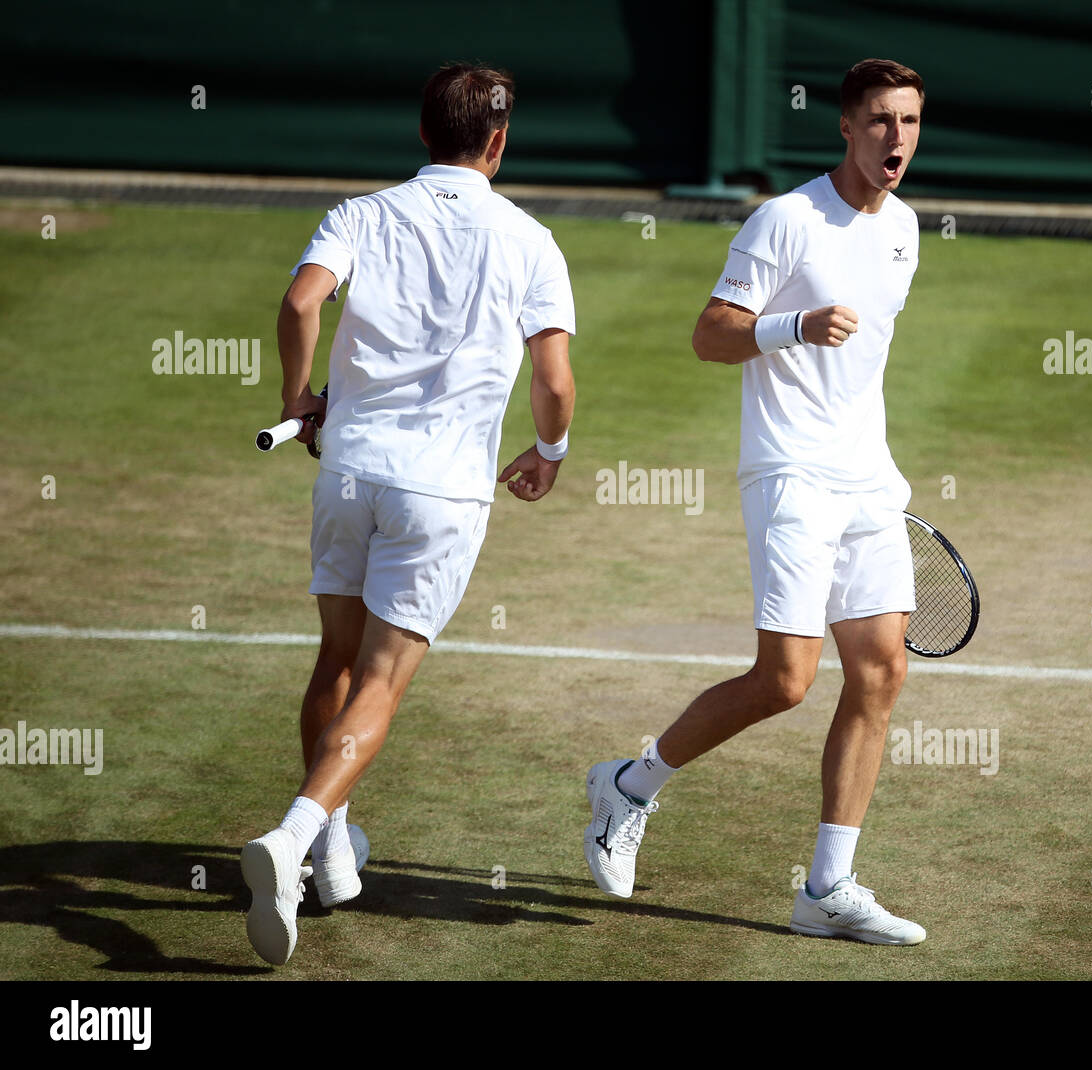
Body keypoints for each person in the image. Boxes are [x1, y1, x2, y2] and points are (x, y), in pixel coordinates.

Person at [583, 58, 926, 945]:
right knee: (785, 681)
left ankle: (828, 886)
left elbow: (865, 366)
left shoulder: (907, 230)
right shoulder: (784, 220)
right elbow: (709, 335)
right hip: (790, 474)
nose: (897, 140)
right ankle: (628, 787)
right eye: (881, 122)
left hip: (866, 480)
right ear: (846, 128)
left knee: (880, 670)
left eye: (911, 122)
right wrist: (794, 327)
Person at [243, 63, 576, 966]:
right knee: (382, 683)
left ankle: (331, 857)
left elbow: (301, 301)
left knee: (336, 661)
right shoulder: (533, 240)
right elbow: (553, 383)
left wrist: (299, 397)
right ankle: (293, 835)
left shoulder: (358, 215)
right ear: (498, 142)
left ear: (424, 132)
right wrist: (549, 455)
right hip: (441, 491)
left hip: (347, 471)